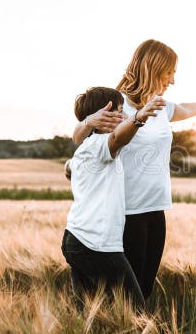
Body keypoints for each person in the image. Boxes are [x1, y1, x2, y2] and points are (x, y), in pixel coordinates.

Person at [72, 40, 196, 299]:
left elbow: (183, 109)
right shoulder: (117, 103)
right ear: (153, 68)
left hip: (155, 209)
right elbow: (81, 137)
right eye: (169, 72)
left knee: (144, 291)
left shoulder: (159, 104)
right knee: (123, 298)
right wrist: (87, 121)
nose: (172, 80)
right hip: (126, 212)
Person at [61, 86, 163, 310]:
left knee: (88, 314)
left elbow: (73, 165)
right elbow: (117, 138)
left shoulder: (86, 148)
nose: (124, 115)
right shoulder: (99, 144)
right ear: (107, 112)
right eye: (119, 110)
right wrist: (139, 117)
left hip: (76, 240)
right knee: (135, 311)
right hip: (96, 244)